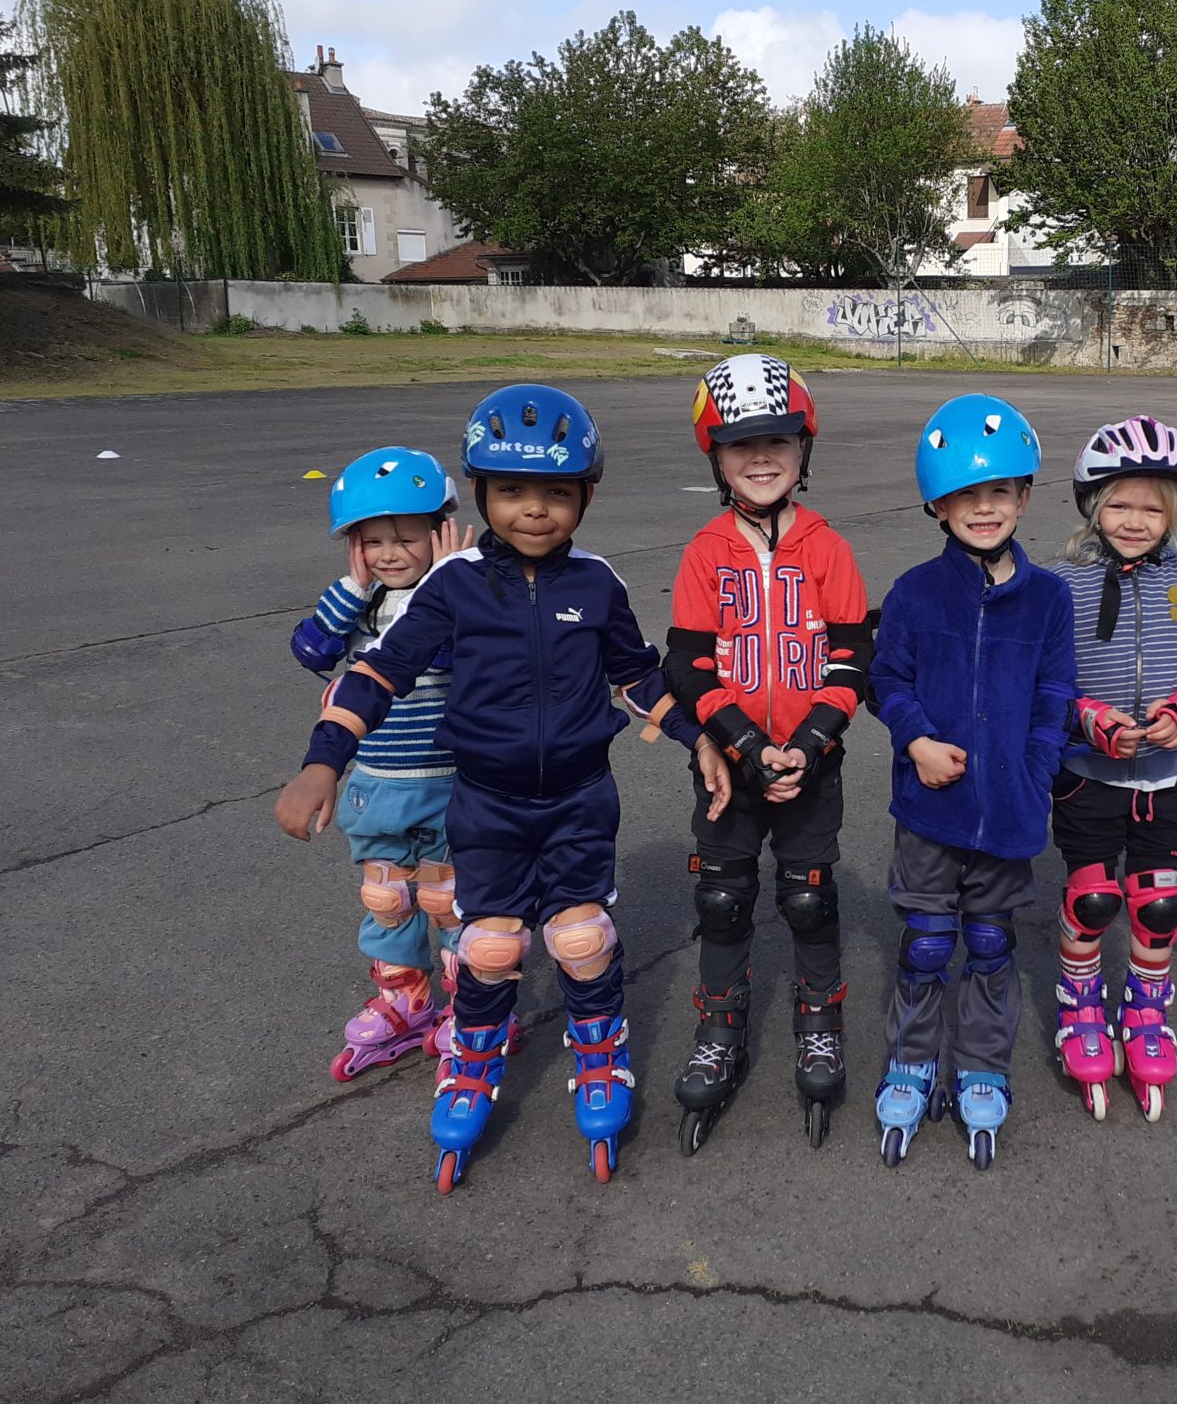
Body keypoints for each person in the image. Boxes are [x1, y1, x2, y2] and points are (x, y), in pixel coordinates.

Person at [274, 384, 700, 1190]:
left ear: (586, 495)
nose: (533, 511)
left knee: (580, 939)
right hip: (489, 803)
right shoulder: (453, 585)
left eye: (555, 492)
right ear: (479, 493)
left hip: (579, 798)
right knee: (490, 944)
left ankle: (600, 1044)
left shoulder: (597, 582)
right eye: (510, 491)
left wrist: (697, 738)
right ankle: (470, 1057)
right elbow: (376, 673)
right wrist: (322, 759)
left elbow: (636, 675)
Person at [662, 355, 872, 1153]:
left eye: (777, 441)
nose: (760, 457)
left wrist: (811, 744)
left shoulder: (828, 547)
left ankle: (819, 1021)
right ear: (714, 457)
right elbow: (687, 666)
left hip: (811, 766)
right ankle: (721, 1029)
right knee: (722, 898)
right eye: (739, 443)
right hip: (730, 767)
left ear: (803, 450)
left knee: (809, 897)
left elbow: (853, 655)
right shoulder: (704, 552)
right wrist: (747, 746)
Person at [869, 394, 1078, 1170]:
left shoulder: (1049, 597)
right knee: (927, 944)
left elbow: (1055, 696)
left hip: (1012, 810)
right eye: (966, 495)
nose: (984, 509)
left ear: (1024, 497)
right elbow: (886, 677)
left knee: (990, 944)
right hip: (931, 808)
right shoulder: (918, 592)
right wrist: (917, 738)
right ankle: (914, 1058)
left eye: (999, 493)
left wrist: (1037, 769)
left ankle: (983, 1062)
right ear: (937, 502)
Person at [1047, 417, 1177, 1122]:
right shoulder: (1060, 583)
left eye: (1152, 507)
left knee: (1158, 905)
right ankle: (1082, 1007)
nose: (1135, 520)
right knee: (1093, 898)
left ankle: (1147, 1013)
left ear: (1174, 513)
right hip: (1088, 775)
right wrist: (1089, 717)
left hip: (1169, 774)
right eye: (1120, 504)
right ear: (1091, 505)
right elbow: (1046, 681)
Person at [292, 447, 473, 1081]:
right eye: (373, 541)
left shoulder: (458, 596)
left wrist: (452, 583)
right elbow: (311, 651)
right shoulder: (360, 605)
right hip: (375, 785)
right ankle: (405, 1000)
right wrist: (353, 587)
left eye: (405, 537)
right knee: (388, 897)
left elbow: (460, 655)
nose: (390, 552)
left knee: (450, 900)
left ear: (440, 531)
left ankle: (470, 1009)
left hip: (448, 784)